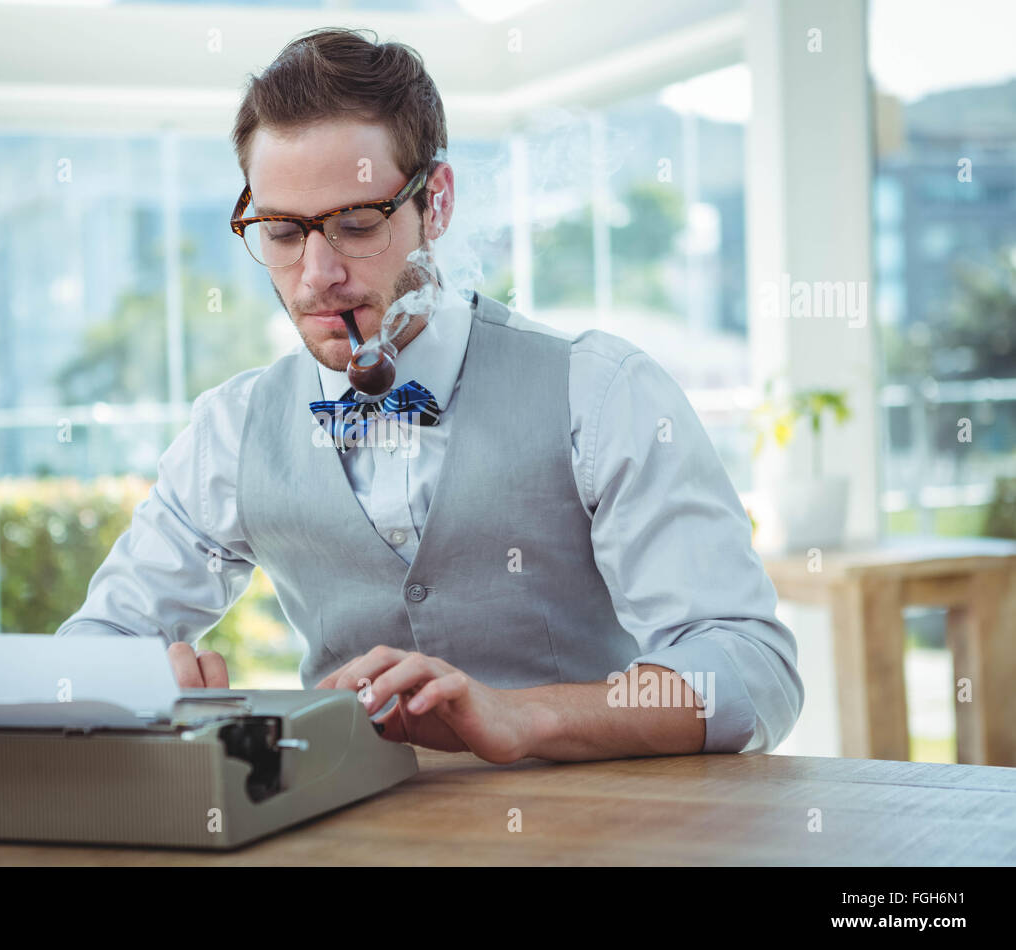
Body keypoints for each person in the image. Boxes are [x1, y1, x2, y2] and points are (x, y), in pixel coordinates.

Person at [58, 27, 803, 764]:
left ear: (435, 203)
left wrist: (522, 717)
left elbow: (747, 669)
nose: (317, 274)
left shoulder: (601, 394)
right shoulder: (231, 430)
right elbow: (92, 652)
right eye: (283, 233)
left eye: (356, 224)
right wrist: (131, 678)